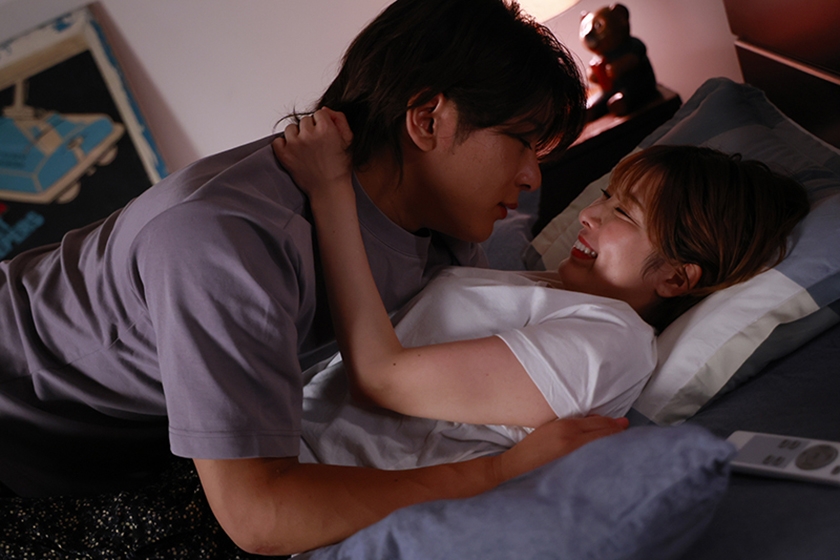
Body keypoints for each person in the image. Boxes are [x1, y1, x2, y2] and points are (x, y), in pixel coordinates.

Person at [0, 0, 617, 555]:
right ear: (429, 119)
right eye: (523, 143)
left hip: (129, 433)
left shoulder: (444, 224)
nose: (533, 178)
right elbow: (259, 515)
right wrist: (497, 473)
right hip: (24, 419)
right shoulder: (228, 241)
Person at [274, 108, 810, 470]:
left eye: (623, 213)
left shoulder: (612, 343)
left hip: (303, 480)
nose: (590, 214)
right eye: (606, 195)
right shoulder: (560, 290)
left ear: (674, 277)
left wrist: (330, 189)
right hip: (280, 448)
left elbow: (382, 380)